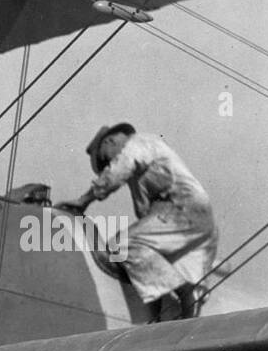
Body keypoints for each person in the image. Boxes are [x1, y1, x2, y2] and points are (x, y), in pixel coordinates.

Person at [57, 123, 217, 322]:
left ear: (110, 141)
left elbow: (118, 170)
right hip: (198, 217)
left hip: (180, 207)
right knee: (154, 260)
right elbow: (145, 213)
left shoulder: (138, 143)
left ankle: (187, 292)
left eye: (107, 160)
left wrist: (84, 200)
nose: (109, 165)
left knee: (121, 246)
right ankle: (173, 313)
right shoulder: (147, 161)